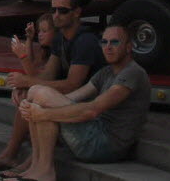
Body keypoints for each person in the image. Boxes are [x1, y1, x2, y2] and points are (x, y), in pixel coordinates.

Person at [0, 0, 104, 174]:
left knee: (36, 99)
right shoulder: (61, 38)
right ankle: (14, 156)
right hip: (71, 98)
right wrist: (25, 84)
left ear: (77, 12)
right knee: (28, 95)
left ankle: (30, 163)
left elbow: (73, 84)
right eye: (53, 10)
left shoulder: (85, 41)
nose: (56, 15)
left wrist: (28, 80)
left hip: (87, 104)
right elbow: (47, 77)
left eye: (63, 10)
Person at [17, 22, 152, 180]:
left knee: (41, 96)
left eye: (115, 42)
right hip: (94, 132)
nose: (108, 47)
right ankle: (36, 167)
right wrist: (29, 99)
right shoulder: (106, 72)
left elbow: (92, 110)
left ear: (129, 47)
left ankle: (45, 171)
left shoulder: (133, 73)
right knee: (36, 93)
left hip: (107, 144)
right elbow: (71, 97)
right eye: (104, 42)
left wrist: (43, 113)